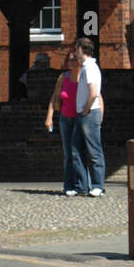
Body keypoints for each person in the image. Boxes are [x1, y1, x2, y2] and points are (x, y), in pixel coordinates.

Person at [45, 43, 89, 196]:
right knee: (68, 153)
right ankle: (68, 186)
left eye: (74, 59)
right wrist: (49, 116)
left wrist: (98, 115)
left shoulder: (85, 75)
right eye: (69, 60)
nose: (71, 62)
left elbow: (96, 95)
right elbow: (54, 97)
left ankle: (83, 184)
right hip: (65, 119)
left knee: (78, 152)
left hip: (80, 119)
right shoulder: (63, 77)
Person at [76, 39, 106, 196]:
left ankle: (98, 186)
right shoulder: (85, 68)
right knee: (76, 150)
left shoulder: (90, 68)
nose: (75, 52)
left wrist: (85, 110)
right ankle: (82, 186)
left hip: (89, 113)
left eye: (76, 49)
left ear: (81, 49)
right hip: (83, 113)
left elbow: (94, 93)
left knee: (94, 151)